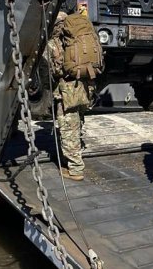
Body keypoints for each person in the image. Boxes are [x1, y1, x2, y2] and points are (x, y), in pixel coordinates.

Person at [47, 12, 88, 181]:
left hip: (67, 92)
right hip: (83, 87)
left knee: (68, 128)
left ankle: (75, 169)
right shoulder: (77, 39)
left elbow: (55, 71)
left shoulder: (53, 44)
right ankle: (74, 156)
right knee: (77, 123)